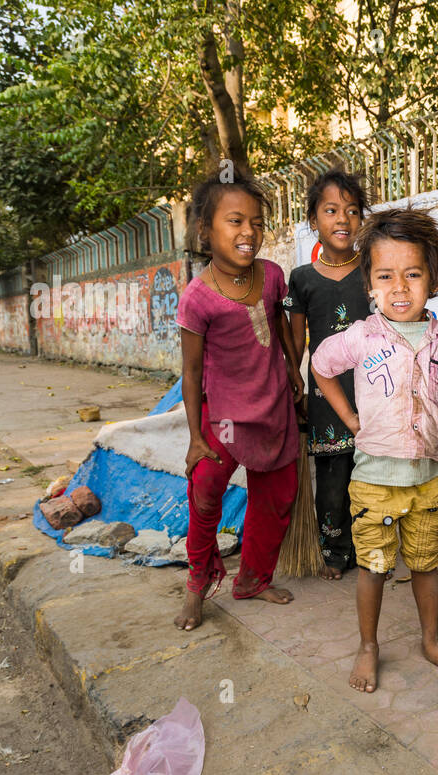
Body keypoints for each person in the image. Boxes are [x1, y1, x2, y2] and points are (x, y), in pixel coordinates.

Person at [311, 208, 438, 693]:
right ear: (369, 284)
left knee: (426, 563)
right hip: (375, 480)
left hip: (426, 479)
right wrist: (351, 419)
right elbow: (319, 366)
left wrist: (437, 413)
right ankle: (368, 646)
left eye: (413, 274)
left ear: (433, 280)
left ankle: (430, 639)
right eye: (386, 276)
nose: (400, 288)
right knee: (374, 569)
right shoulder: (361, 337)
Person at [173, 171, 304, 631]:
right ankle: (198, 583)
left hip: (274, 408)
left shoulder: (271, 275)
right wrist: (194, 436)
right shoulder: (197, 298)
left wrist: (293, 369)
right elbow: (190, 372)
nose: (248, 231)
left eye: (256, 221)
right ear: (205, 231)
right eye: (234, 221)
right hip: (224, 417)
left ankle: (252, 579)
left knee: (276, 497)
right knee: (206, 490)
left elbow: (282, 327)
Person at [285, 169, 372, 579]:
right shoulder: (301, 279)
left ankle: (375, 544)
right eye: (331, 210)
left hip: (375, 389)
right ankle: (336, 551)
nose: (343, 220)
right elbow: (296, 339)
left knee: (374, 473)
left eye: (352, 211)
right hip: (324, 395)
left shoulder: (374, 271)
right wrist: (294, 380)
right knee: (333, 477)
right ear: (313, 219)